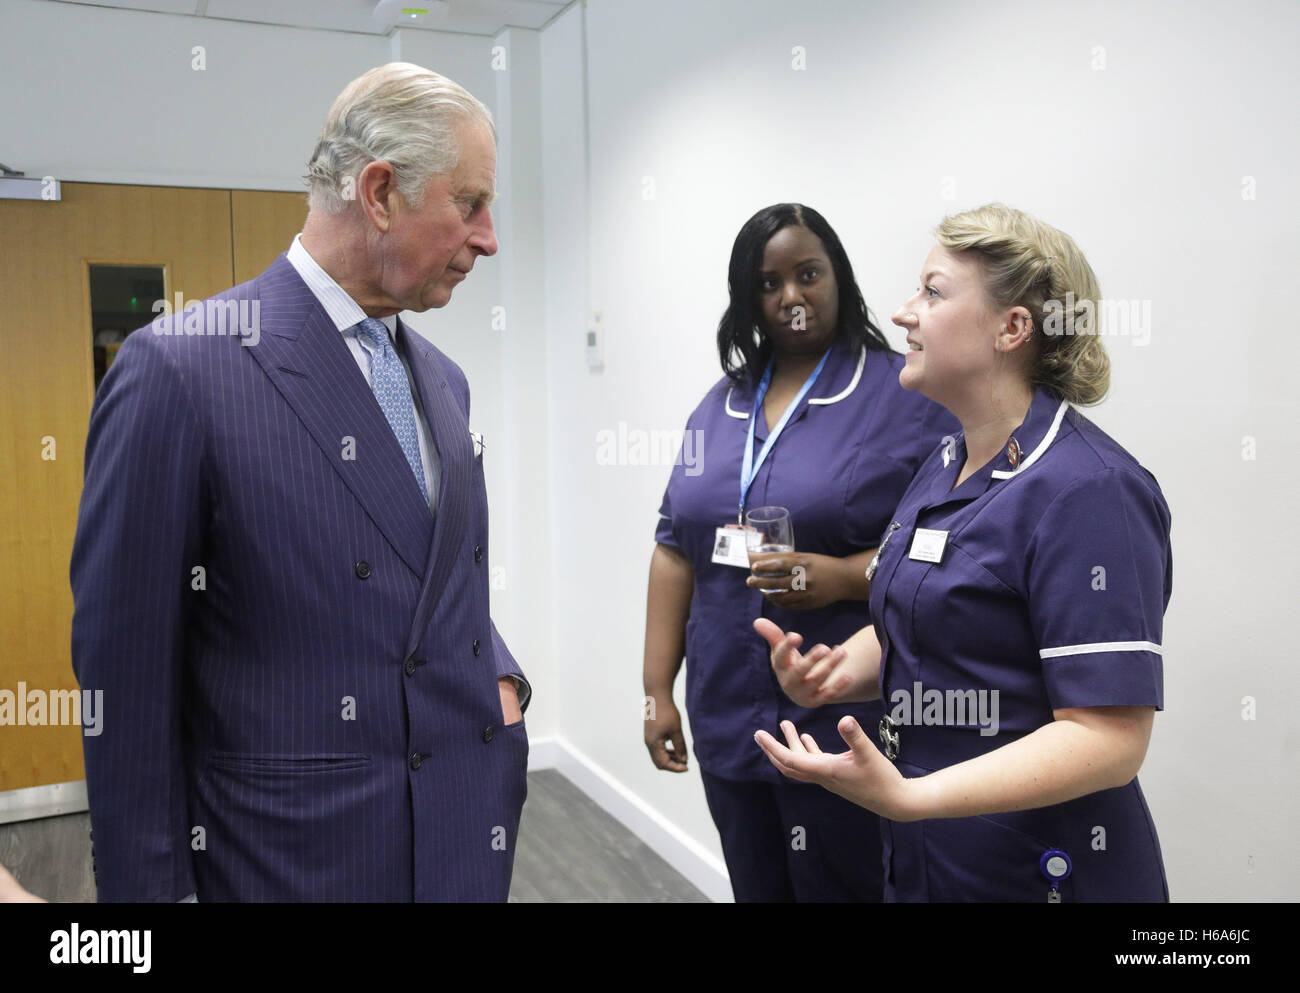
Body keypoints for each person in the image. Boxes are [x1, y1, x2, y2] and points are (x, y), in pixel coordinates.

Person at [70, 63, 529, 902]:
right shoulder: (181, 371)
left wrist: (500, 680)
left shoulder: (445, 380)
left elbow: (437, 578)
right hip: (295, 861)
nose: (489, 237)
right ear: (381, 192)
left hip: (464, 833)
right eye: (470, 204)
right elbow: (124, 684)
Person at [754, 203, 1171, 902]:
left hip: (1041, 871)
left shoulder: (1089, 491)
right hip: (927, 862)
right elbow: (926, 628)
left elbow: (1109, 739)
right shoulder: (946, 460)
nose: (903, 312)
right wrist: (833, 672)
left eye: (933, 291)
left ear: (1012, 328)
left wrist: (914, 797)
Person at [644, 203, 956, 902]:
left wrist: (845, 577)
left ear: (837, 277)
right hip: (727, 709)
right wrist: (656, 690)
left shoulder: (901, 394)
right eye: (769, 282)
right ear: (747, 299)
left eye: (808, 274)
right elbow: (675, 549)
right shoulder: (719, 406)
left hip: (845, 721)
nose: (791, 296)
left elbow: (945, 548)